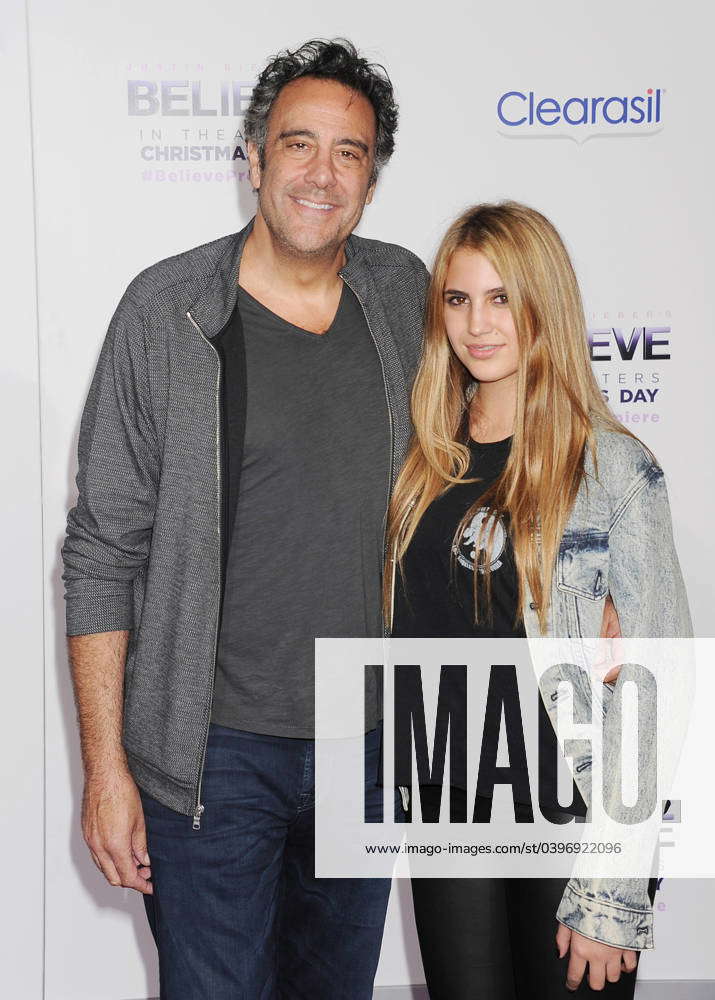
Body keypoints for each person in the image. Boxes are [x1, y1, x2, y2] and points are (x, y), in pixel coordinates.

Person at [61, 38, 430, 999]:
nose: (320, 172)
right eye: (296, 144)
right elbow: (102, 550)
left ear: (372, 179)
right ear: (253, 160)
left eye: (347, 152)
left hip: (369, 744)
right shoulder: (167, 312)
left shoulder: (403, 297)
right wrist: (105, 771)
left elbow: (507, 439)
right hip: (210, 757)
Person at [385, 201, 692, 997]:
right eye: (458, 299)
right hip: (450, 804)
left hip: (569, 810)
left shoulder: (611, 470)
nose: (478, 324)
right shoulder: (421, 459)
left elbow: (656, 685)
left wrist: (613, 889)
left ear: (543, 305)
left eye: (501, 298)